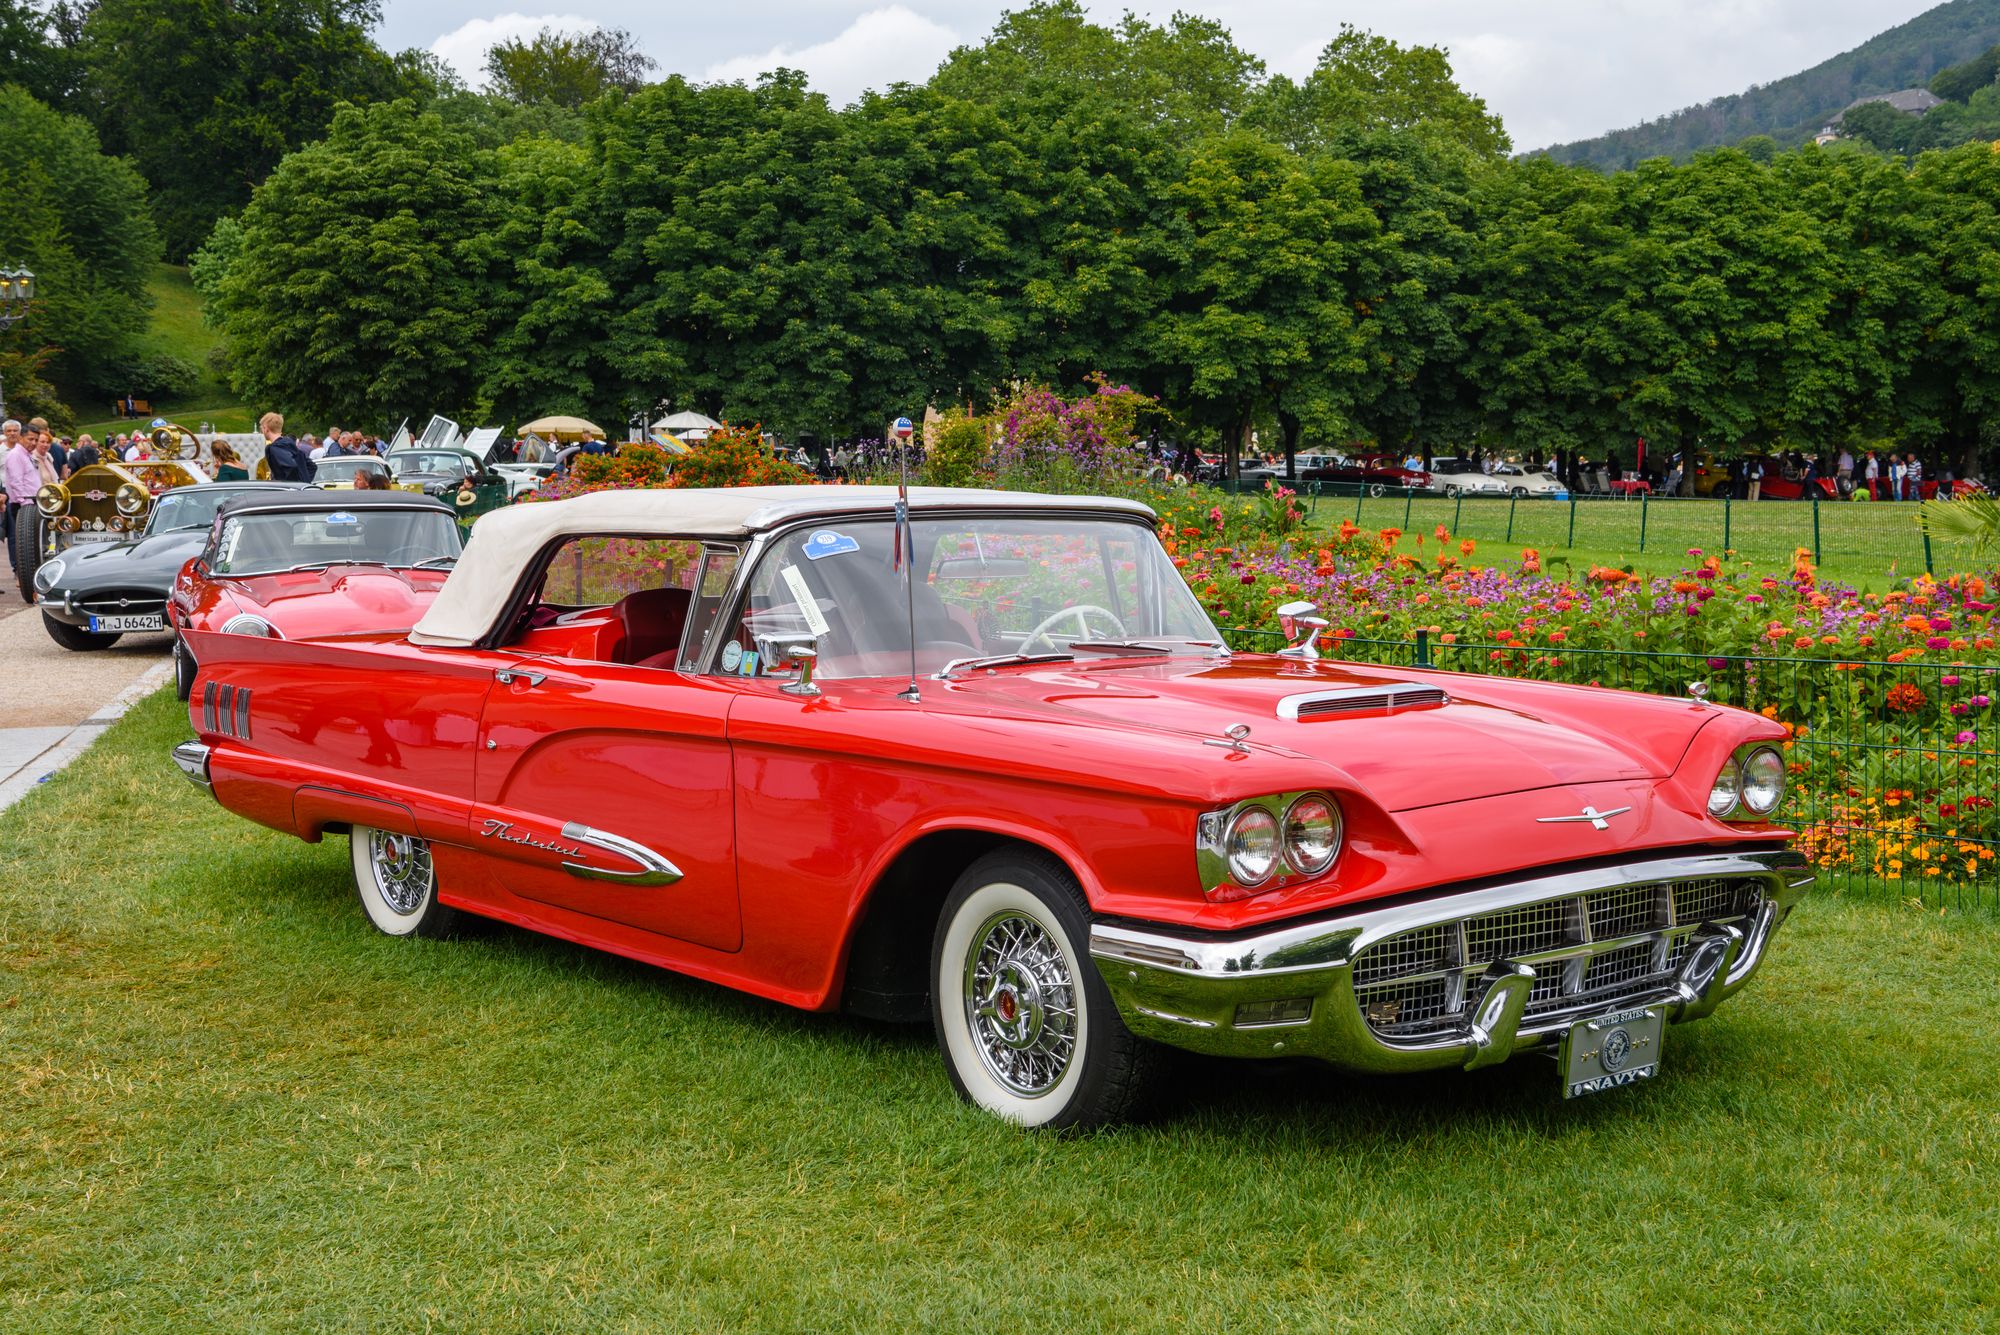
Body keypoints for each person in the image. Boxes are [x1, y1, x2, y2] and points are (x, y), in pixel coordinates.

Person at [3, 418, 33, 575]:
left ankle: (21, 568)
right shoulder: (2, 452)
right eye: (9, 431)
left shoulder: (27, 452)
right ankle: (17, 567)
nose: (12, 433)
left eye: (15, 430)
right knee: (12, 534)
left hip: (19, 496)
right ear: (4, 433)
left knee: (20, 533)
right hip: (7, 496)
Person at [260, 411, 306, 482]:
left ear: (266, 429)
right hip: (299, 490)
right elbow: (311, 466)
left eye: (262, 428)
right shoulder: (290, 444)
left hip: (286, 491)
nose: (262, 431)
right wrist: (304, 482)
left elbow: (291, 466)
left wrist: (289, 485)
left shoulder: (275, 448)